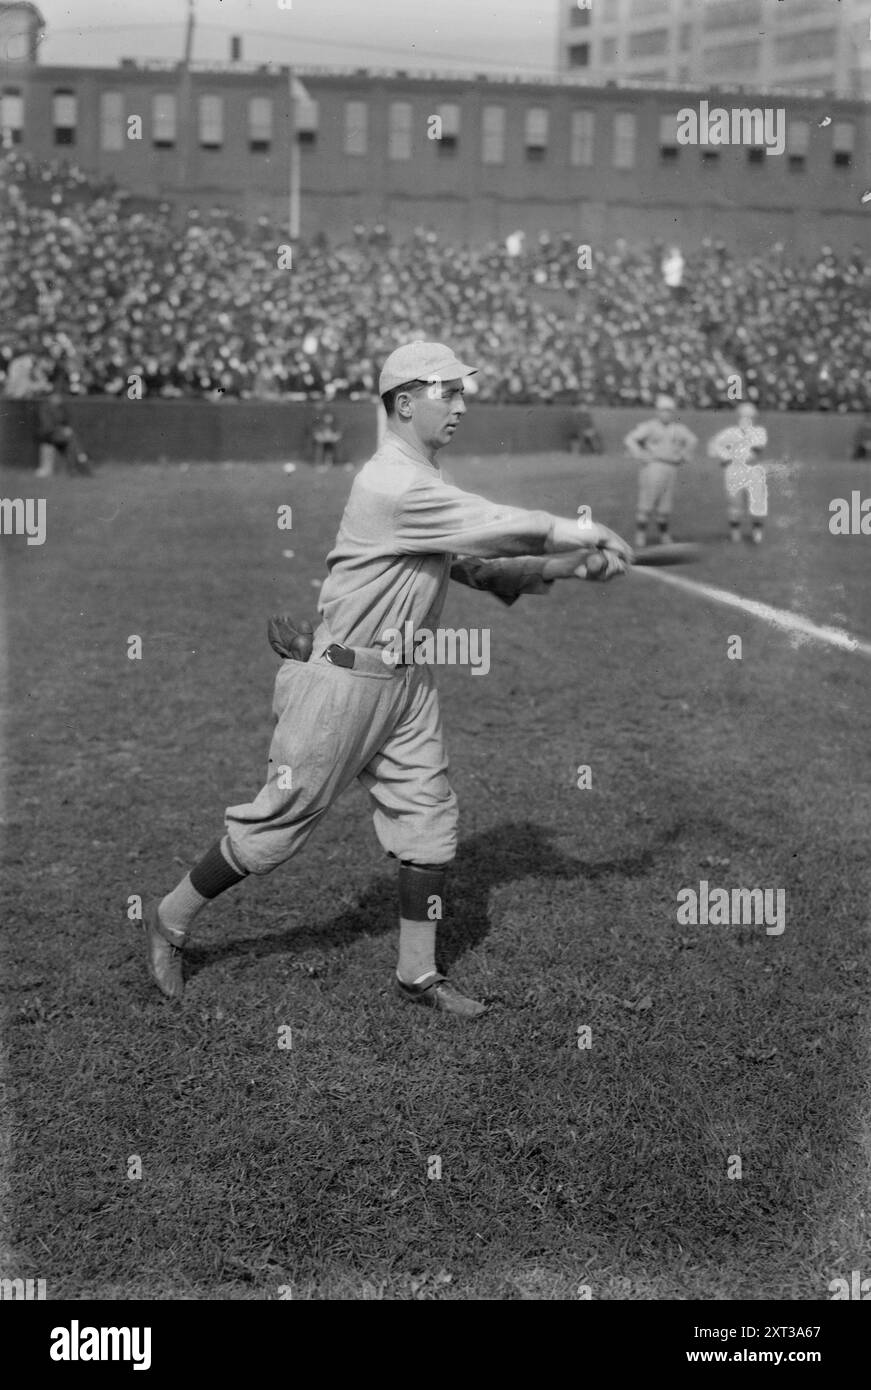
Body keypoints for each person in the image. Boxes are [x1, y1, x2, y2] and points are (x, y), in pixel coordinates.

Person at [143, 341, 633, 1018]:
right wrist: (578, 531)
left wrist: (571, 568)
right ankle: (169, 920)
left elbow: (477, 564)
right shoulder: (394, 484)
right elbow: (492, 528)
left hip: (404, 689)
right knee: (273, 829)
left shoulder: (423, 484)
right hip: (340, 687)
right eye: (448, 394)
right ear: (405, 403)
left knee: (428, 823)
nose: (461, 406)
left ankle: (416, 973)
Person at [624, 394, 697, 549]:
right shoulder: (650, 426)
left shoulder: (677, 428)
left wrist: (683, 455)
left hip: (670, 467)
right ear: (657, 412)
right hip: (653, 466)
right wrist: (640, 454)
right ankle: (640, 535)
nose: (666, 414)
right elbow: (630, 439)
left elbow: (692, 440)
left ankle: (664, 535)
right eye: (663, 411)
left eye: (669, 411)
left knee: (665, 504)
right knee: (647, 502)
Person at [706, 402, 769, 544]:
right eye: (743, 416)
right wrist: (724, 455)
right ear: (738, 416)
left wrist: (732, 456)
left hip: (753, 470)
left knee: (757, 503)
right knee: (735, 504)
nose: (747, 419)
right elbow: (713, 446)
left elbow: (755, 452)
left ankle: (757, 533)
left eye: (750, 416)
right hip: (734, 471)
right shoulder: (730, 433)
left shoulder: (759, 432)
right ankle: (735, 534)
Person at [36, 377, 93, 477]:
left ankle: (77, 466)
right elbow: (47, 427)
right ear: (51, 396)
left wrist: (66, 430)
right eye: (57, 396)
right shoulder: (45, 408)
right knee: (72, 440)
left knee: (72, 442)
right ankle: (82, 464)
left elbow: (67, 422)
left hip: (61, 435)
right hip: (49, 436)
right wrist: (62, 430)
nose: (59, 398)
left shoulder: (61, 408)